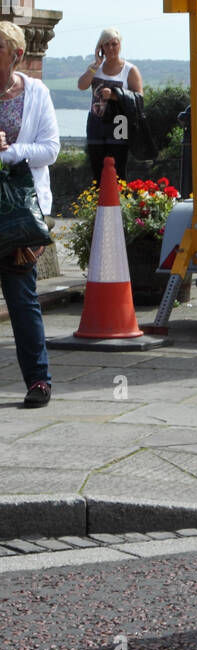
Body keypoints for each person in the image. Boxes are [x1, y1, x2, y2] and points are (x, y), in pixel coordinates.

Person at [0, 21, 60, 407]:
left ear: (16, 55)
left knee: (22, 300)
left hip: (19, 212)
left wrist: (9, 152)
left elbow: (51, 149)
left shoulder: (36, 92)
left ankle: (39, 381)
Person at [77, 29, 143, 182]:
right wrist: (95, 65)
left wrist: (115, 95)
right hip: (96, 121)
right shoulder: (95, 69)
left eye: (114, 44)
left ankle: (120, 201)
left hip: (119, 123)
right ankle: (96, 201)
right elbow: (81, 85)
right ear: (101, 48)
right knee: (97, 167)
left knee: (117, 167)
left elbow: (139, 98)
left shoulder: (130, 70)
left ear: (120, 45)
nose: (111, 48)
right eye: (107, 45)